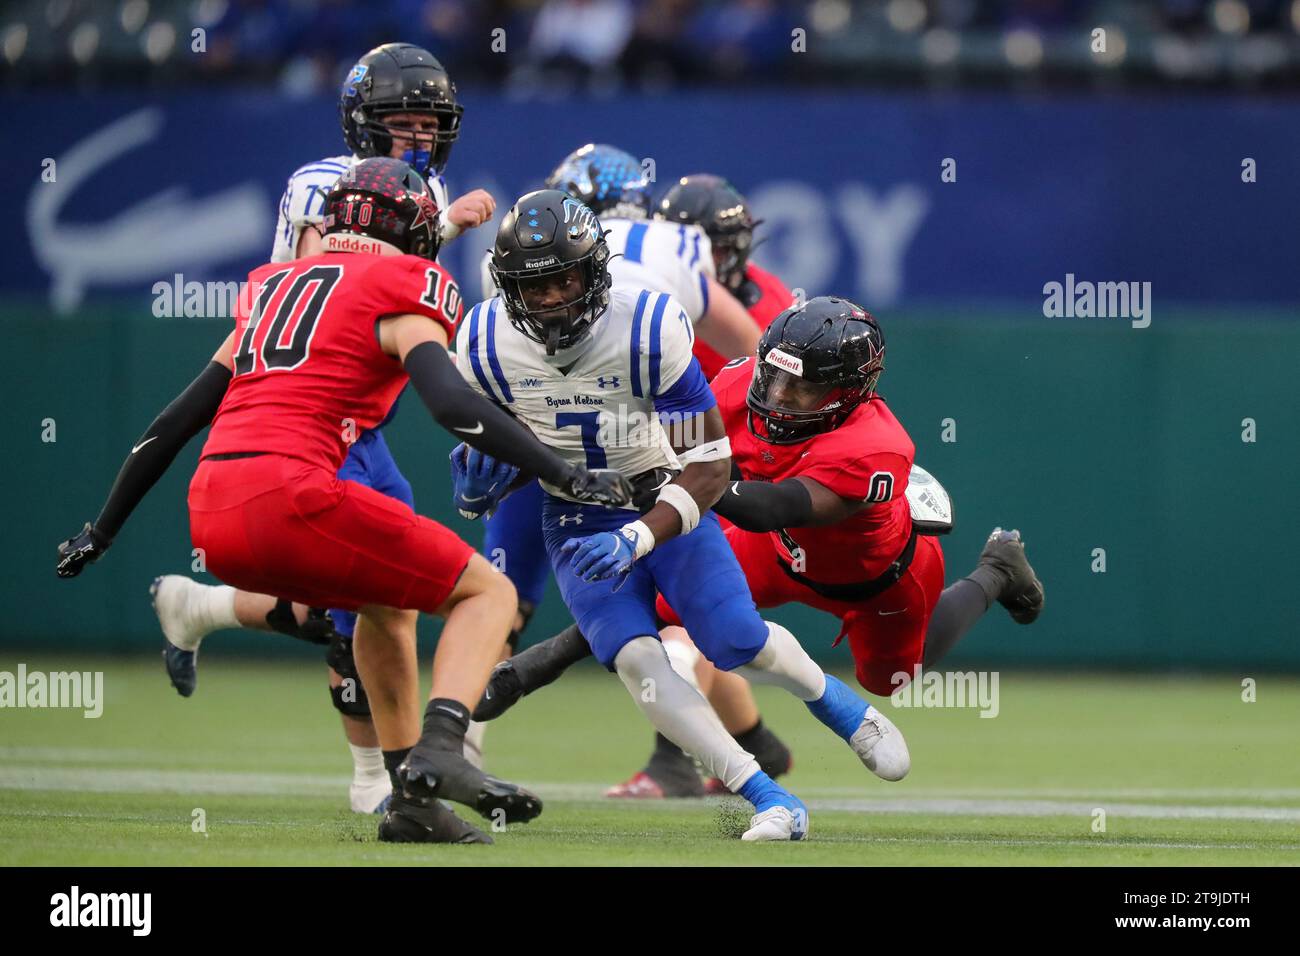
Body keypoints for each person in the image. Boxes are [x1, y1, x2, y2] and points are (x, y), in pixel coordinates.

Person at [56, 158, 631, 844]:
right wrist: (557, 468)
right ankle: (443, 747)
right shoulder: (408, 281)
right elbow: (450, 403)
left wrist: (103, 529)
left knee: (383, 606)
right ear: (415, 231)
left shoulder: (273, 287)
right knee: (488, 595)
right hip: (291, 493)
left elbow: (174, 422)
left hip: (212, 507)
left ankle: (410, 804)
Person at [454, 189, 913, 842]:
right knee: (643, 664)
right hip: (576, 519)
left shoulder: (647, 327)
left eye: (564, 280)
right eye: (534, 286)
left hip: (664, 495)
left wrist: (640, 535)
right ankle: (768, 797)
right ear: (505, 286)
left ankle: (839, 708)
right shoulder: (481, 339)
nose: (552, 299)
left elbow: (707, 468)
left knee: (736, 642)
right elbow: (493, 435)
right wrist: (480, 474)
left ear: (594, 271)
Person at [472, 297, 1046, 795]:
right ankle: (534, 667)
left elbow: (774, 505)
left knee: (890, 678)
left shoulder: (874, 444)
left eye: (804, 387)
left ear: (848, 392)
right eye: (776, 377)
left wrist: (681, 476)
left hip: (876, 576)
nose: (781, 395)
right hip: (774, 550)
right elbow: (654, 440)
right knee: (673, 600)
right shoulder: (736, 388)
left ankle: (996, 570)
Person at [148, 42, 499, 814]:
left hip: (352, 417)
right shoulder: (326, 184)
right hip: (302, 406)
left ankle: (200, 606)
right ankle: (376, 780)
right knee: (363, 605)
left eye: (428, 125)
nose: (418, 139)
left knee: (369, 599)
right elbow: (339, 261)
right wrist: (445, 224)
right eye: (402, 124)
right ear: (361, 125)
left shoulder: (416, 190)